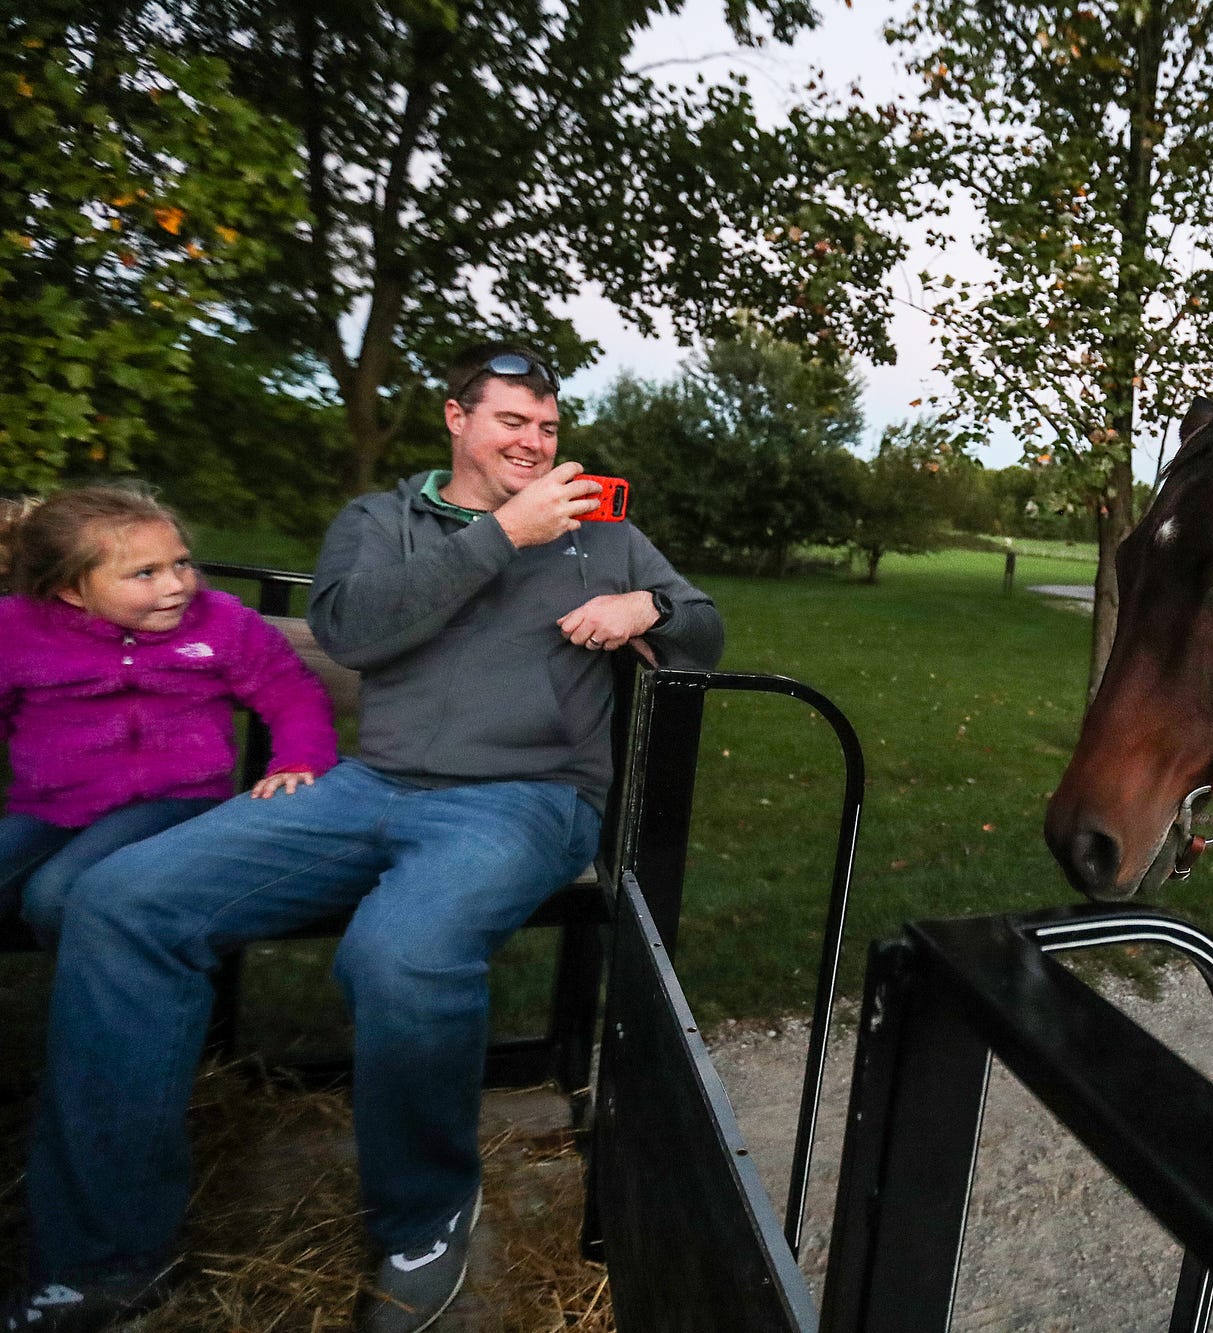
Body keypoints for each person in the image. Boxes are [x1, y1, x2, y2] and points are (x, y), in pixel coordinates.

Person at [3, 344, 724, 1333]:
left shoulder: (599, 527)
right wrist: (498, 538)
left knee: (402, 950)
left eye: (548, 426)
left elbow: (705, 629)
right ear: (456, 419)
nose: (534, 441)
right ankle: (104, 1254)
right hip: (366, 786)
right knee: (120, 902)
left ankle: (423, 1216)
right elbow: (351, 630)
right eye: (512, 420)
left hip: (526, 797)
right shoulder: (378, 523)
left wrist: (654, 603)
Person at [0, 488, 335, 946]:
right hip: (51, 807)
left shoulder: (222, 623)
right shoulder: (18, 630)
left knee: (55, 896)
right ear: (70, 591)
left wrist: (300, 759)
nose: (176, 584)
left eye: (181, 563)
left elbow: (291, 692)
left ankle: (121, 993)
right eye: (145, 573)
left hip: (173, 802)